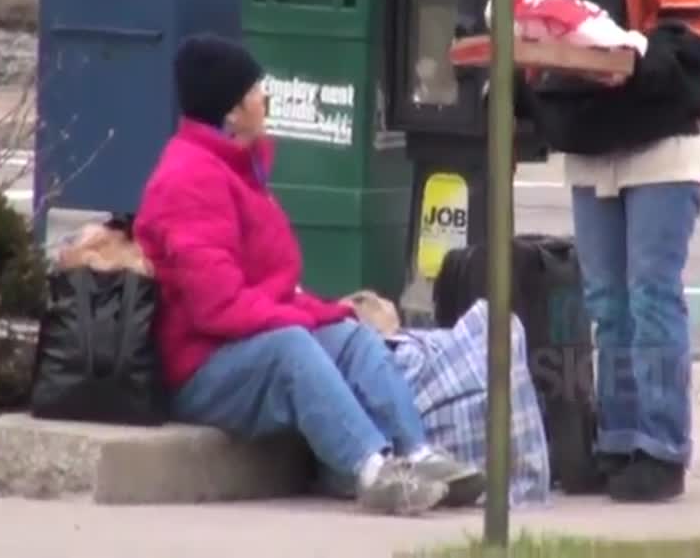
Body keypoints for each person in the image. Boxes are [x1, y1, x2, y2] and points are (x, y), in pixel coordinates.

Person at [132, 34, 483, 516]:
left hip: (238, 344)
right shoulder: (190, 179)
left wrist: (327, 312)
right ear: (231, 111)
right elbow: (217, 307)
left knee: (350, 335)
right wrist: (299, 320)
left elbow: (269, 289)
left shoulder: (234, 168)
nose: (266, 98)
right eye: (256, 89)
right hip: (201, 367)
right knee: (292, 347)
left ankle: (418, 453)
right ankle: (372, 470)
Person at [517, 0, 700, 503]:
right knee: (606, 300)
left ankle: (661, 447)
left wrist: (633, 65)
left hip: (661, 140)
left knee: (650, 296)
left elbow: (692, 34)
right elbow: (530, 18)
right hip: (592, 140)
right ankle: (617, 439)